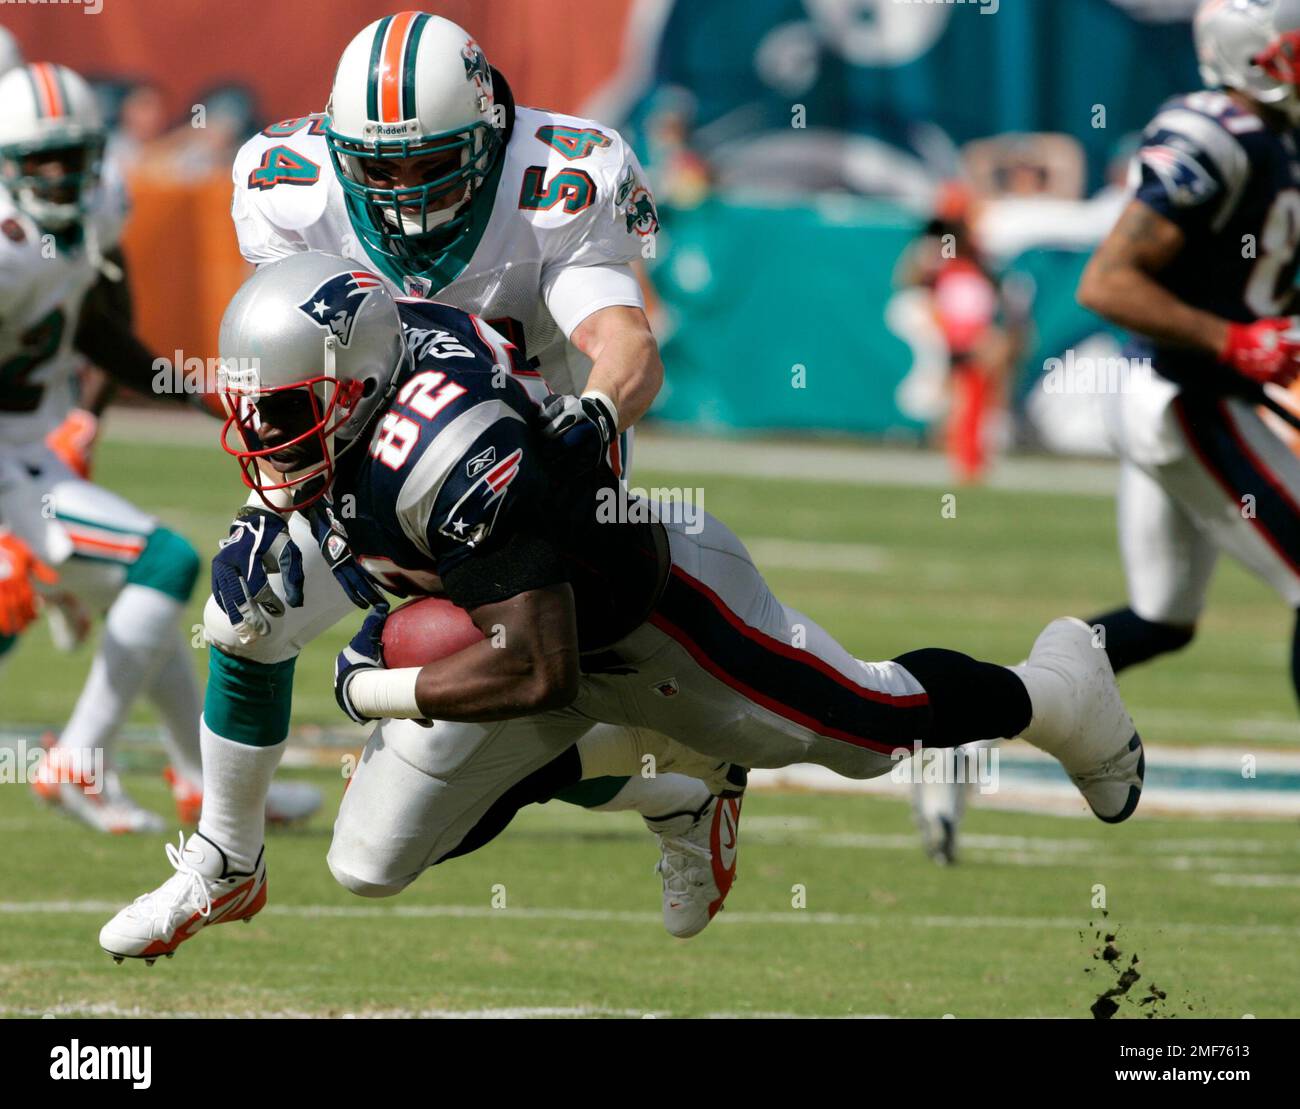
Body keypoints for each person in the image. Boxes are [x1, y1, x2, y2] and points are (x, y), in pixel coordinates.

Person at [98, 253, 1145, 964]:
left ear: (356, 385)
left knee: (867, 730)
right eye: (253, 410)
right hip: (497, 627)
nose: (263, 439)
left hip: (649, 618)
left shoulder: (447, 454)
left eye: (283, 414)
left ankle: (1055, 688)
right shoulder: (365, 376)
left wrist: (374, 683)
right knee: (364, 857)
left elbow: (539, 672)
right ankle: (672, 789)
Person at [214, 11, 740, 935]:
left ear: (490, 129)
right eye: (380, 168)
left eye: (429, 162)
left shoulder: (556, 181)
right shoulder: (286, 187)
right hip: (368, 494)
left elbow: (623, 343)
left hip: (515, 502)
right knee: (241, 612)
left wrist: (601, 411)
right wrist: (264, 508)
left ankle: (680, 774)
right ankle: (222, 861)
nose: (406, 190)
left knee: (531, 710)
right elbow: (289, 368)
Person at [0, 61, 317, 831]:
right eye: (40, 162)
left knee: (143, 598)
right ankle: (78, 756)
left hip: (32, 448)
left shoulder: (100, 206)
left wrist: (208, 390)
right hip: (10, 462)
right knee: (166, 562)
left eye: (72, 158)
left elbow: (103, 328)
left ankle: (210, 785)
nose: (61, 176)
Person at [1076, 0, 1300, 719]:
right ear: (1253, 59)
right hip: (1183, 392)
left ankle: (971, 720)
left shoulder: (1280, 136)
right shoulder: (1216, 137)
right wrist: (1232, 340)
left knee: (1161, 619)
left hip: (1214, 393)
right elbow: (1106, 283)